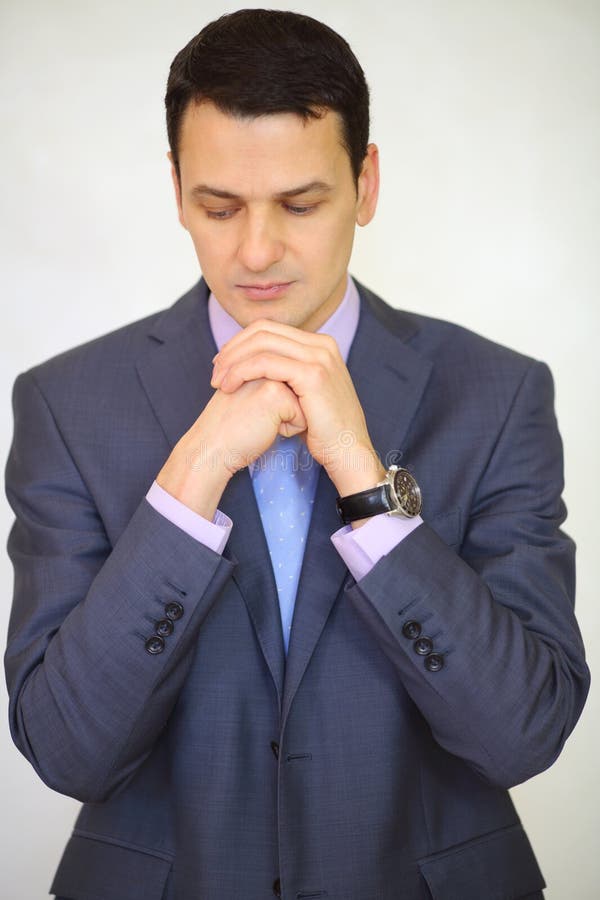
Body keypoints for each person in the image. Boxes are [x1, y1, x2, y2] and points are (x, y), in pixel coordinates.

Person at [4, 9, 589, 900]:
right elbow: (67, 749)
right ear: (175, 189)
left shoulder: (498, 394)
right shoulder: (65, 402)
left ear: (367, 181)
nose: (258, 251)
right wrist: (192, 475)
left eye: (302, 203)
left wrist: (359, 470)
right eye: (218, 206)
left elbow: (523, 732)